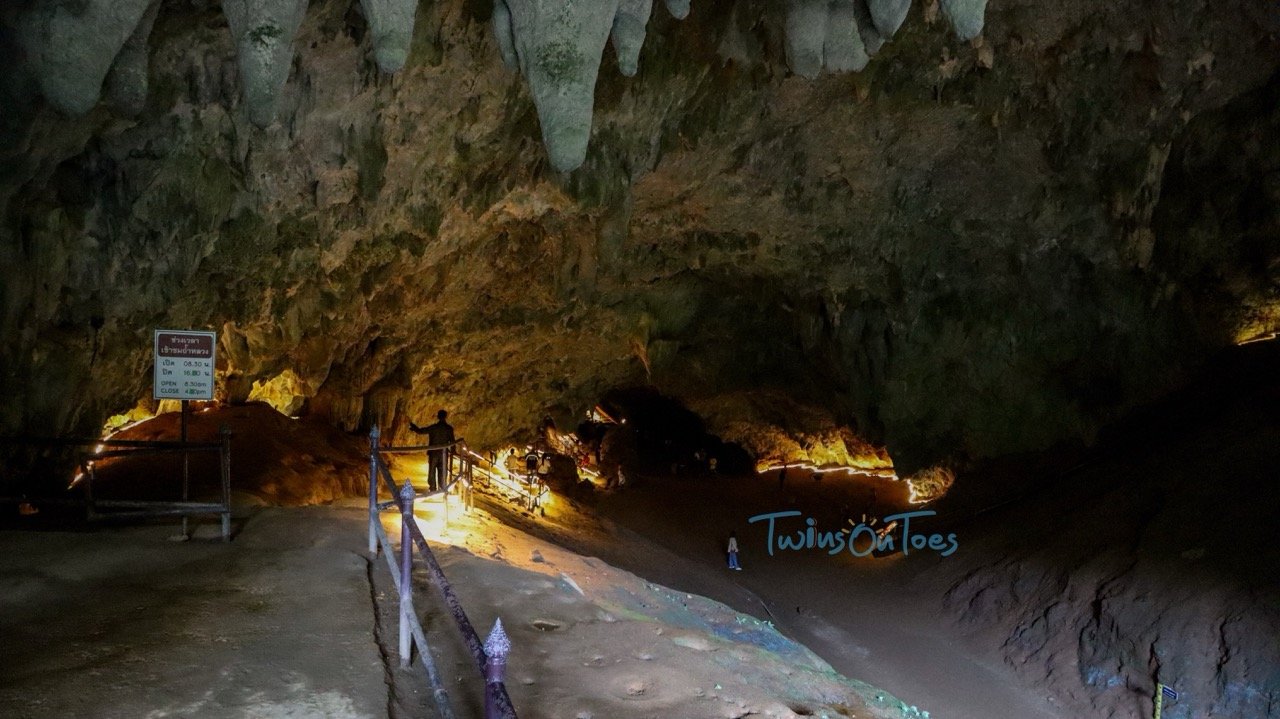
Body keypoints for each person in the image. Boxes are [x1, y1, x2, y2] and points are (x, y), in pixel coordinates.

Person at [410, 409, 455, 492]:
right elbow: (452, 442)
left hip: (433, 453)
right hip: (443, 453)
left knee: (432, 470)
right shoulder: (449, 429)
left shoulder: (434, 428)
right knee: (443, 470)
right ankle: (442, 487)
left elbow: (421, 431)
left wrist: (413, 427)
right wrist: (453, 452)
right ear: (446, 417)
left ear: (438, 417)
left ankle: (433, 488)